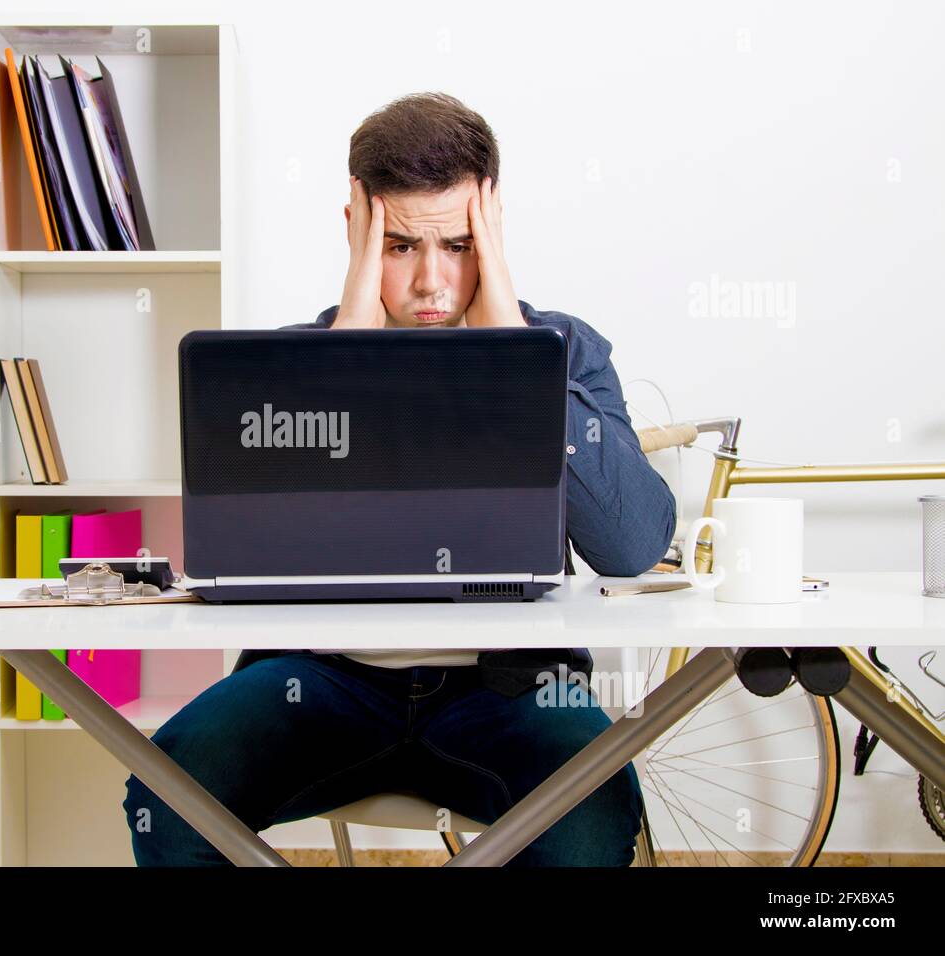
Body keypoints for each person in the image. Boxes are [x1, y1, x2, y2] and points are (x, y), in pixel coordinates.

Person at [123, 92, 676, 866]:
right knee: (166, 791)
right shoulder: (290, 363)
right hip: (320, 685)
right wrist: (341, 356)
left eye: (456, 244)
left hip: (509, 695)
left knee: (594, 811)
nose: (430, 283)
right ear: (356, 230)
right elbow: (252, 555)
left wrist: (519, 360)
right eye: (399, 247)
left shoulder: (565, 352)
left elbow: (633, 546)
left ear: (494, 233)